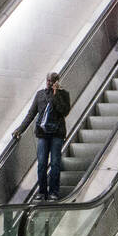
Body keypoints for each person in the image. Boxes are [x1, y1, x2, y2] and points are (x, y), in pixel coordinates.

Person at [13, 71, 72, 199]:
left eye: (53, 81)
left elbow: (64, 111)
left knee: (55, 162)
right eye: (48, 81)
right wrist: (20, 129)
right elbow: (31, 113)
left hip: (57, 133)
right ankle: (42, 191)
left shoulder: (64, 94)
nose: (50, 83)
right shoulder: (40, 95)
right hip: (42, 133)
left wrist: (56, 94)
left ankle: (53, 192)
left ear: (57, 81)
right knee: (41, 163)